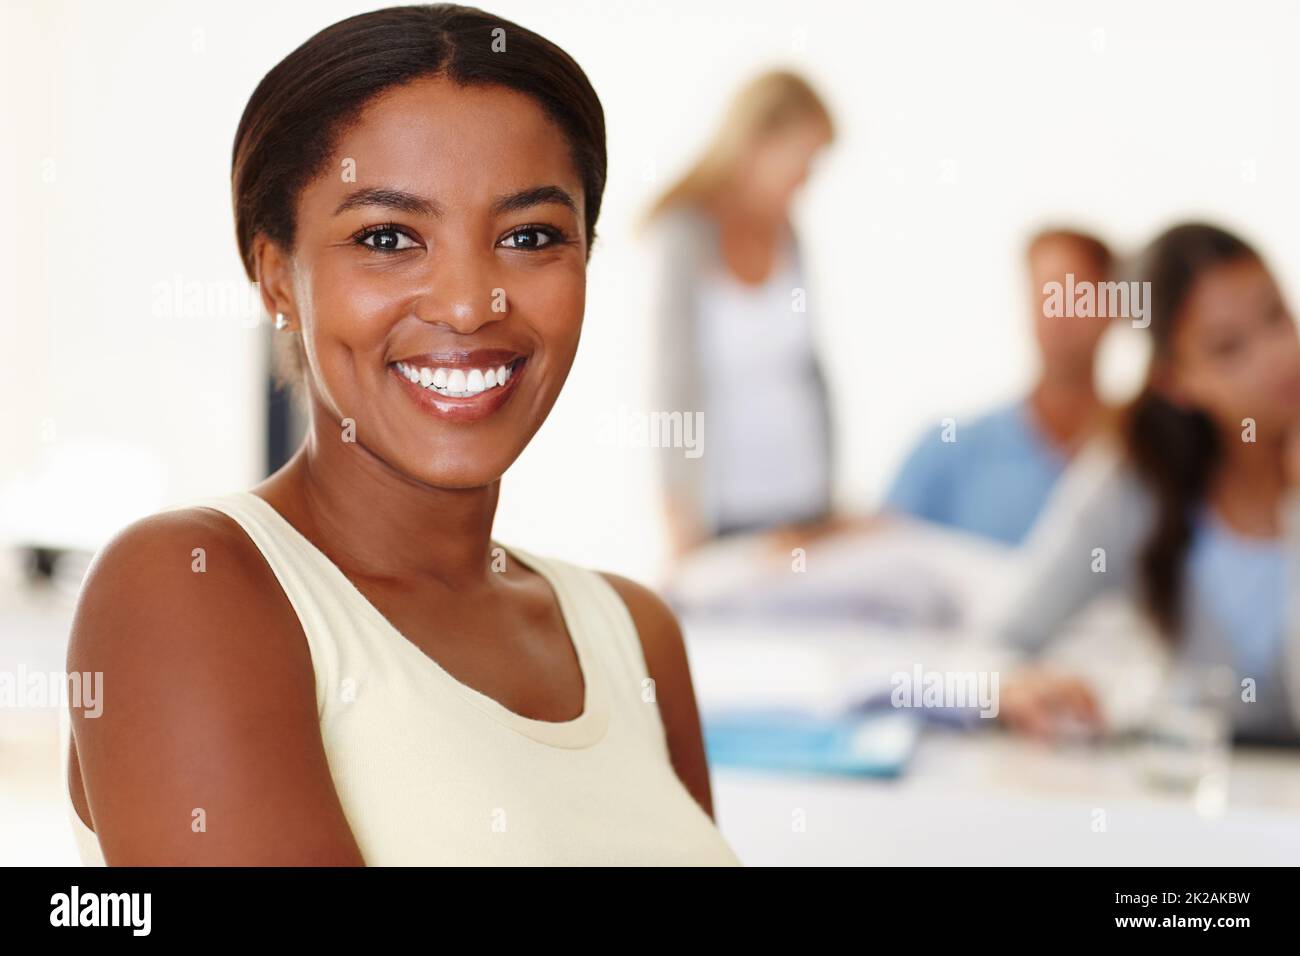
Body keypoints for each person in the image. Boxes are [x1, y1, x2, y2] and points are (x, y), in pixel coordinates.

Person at [63, 4, 739, 866]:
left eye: (530, 236)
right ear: (275, 274)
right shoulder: (186, 589)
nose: (467, 303)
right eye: (388, 237)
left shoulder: (633, 633)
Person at [994, 223, 1300, 745]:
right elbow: (1002, 638)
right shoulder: (1130, 484)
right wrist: (1011, 686)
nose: (1277, 356)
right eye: (1229, 348)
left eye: (1277, 316)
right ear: (1174, 382)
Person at [644, 71, 846, 560]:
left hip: (805, 506)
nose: (806, 178)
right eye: (803, 159)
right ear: (757, 142)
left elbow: (810, 370)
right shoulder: (683, 237)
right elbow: (673, 382)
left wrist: (832, 491)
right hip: (723, 515)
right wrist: (677, 512)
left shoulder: (790, 238)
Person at [883, 228, 1114, 545]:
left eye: (1075, 297)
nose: (1057, 317)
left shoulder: (1148, 458)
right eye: (1044, 295)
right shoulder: (949, 450)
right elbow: (876, 550)